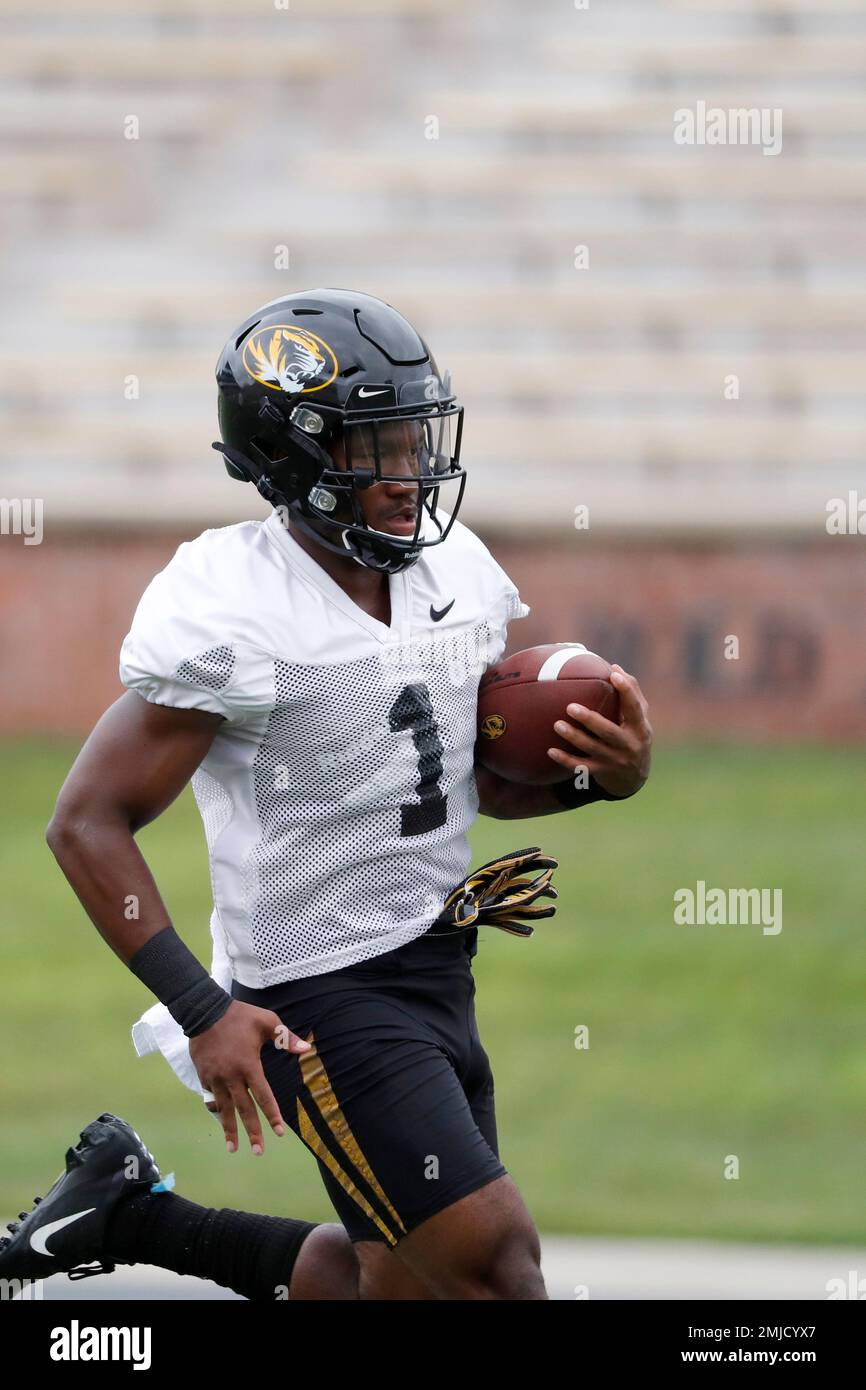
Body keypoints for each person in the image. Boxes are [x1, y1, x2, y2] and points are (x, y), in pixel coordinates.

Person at [0, 289, 652, 1300]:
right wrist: (202, 1006)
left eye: (414, 438)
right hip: (317, 994)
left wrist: (597, 778)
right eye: (376, 447)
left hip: (437, 962)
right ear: (291, 456)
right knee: (493, 1268)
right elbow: (85, 821)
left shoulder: (455, 574)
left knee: (392, 1287)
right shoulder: (237, 607)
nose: (411, 475)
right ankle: (130, 1207)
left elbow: (447, 782)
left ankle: (130, 1211)